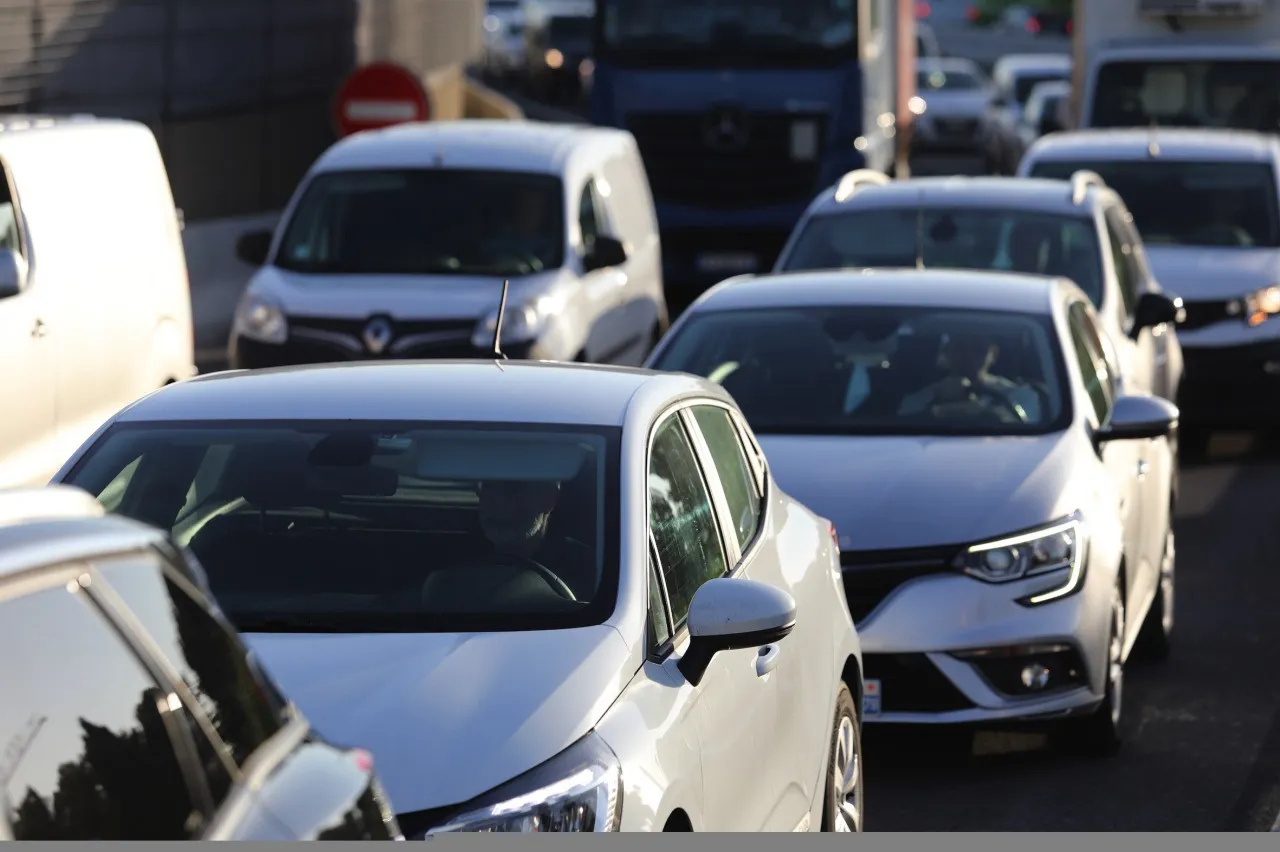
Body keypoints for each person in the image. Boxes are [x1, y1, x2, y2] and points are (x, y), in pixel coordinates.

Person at [419, 477, 595, 610]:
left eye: (515, 489)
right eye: (489, 488)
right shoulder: (450, 561)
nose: (500, 504)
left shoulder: (587, 568)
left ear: (550, 498)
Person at [897, 331, 1039, 422]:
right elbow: (903, 421)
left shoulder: (1018, 396)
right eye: (960, 347)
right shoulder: (922, 398)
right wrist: (937, 398)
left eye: (978, 348)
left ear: (994, 354)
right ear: (947, 351)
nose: (968, 356)